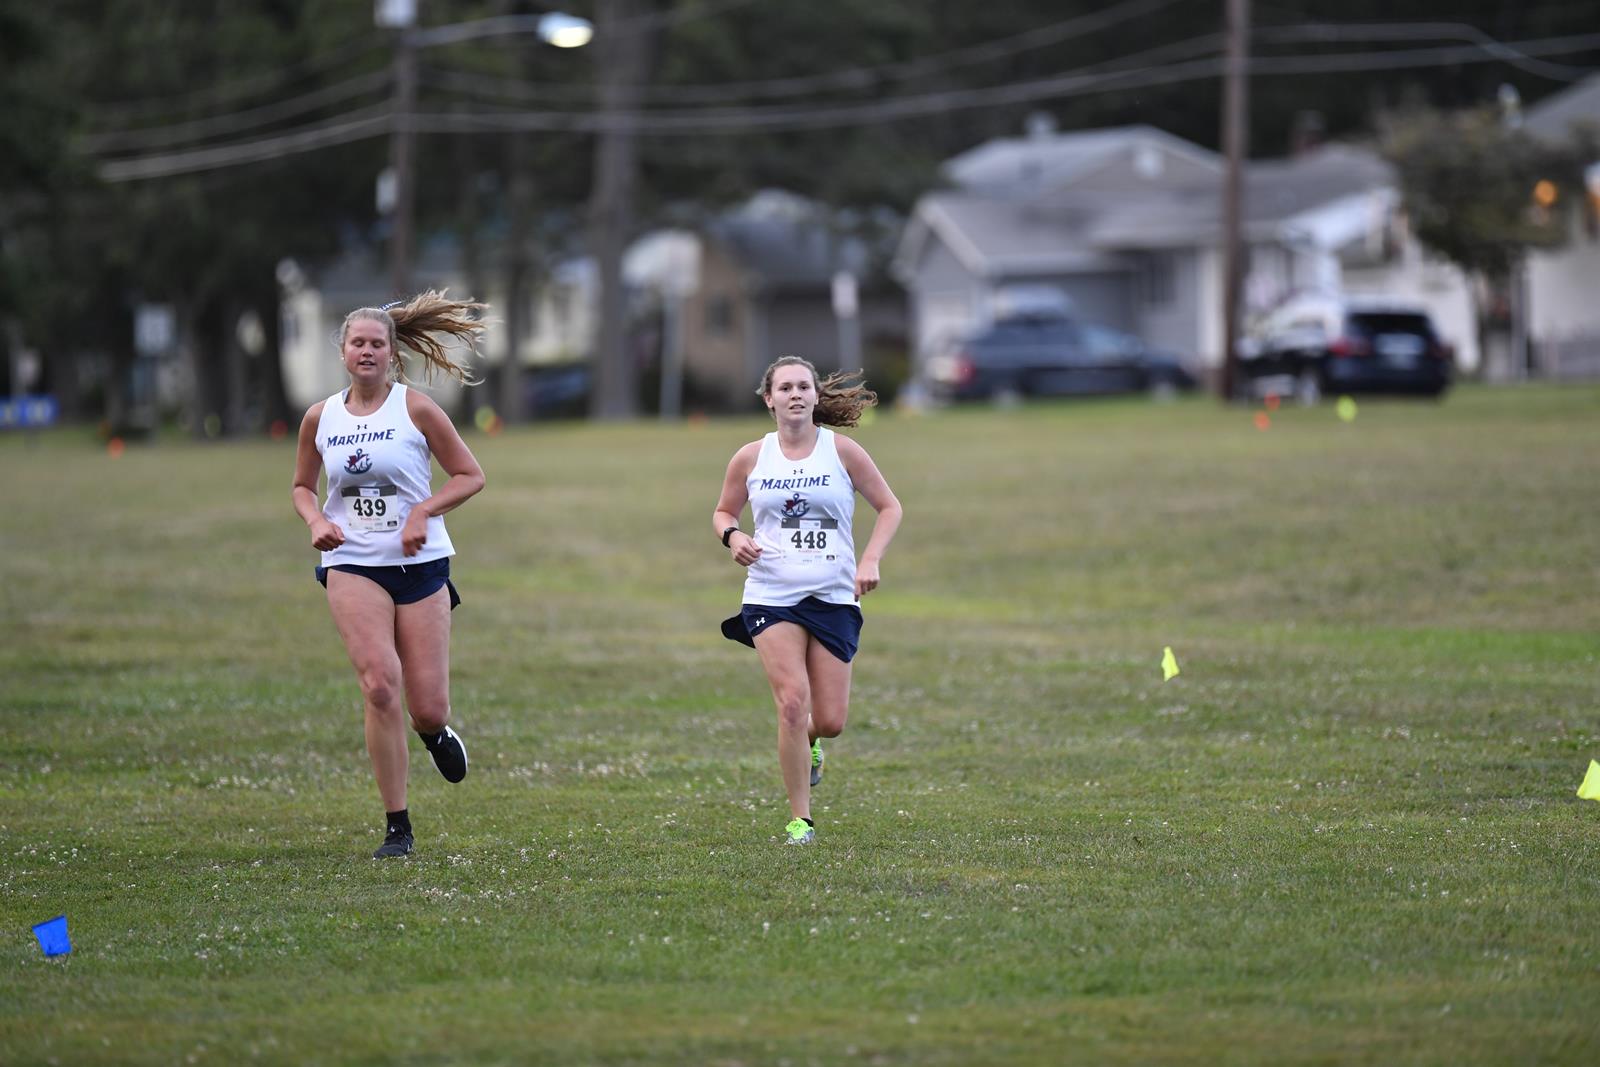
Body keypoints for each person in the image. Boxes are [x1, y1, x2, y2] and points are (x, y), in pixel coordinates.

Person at [291, 291, 488, 859]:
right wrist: (313, 521)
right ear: (344, 352)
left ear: (392, 353)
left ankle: (434, 733)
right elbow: (304, 487)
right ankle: (397, 827)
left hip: (421, 565)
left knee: (426, 705)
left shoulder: (416, 409)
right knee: (379, 685)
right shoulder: (319, 417)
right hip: (352, 563)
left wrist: (424, 511)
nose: (368, 351)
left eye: (378, 343)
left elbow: (469, 475)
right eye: (358, 343)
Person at [714, 356, 903, 845]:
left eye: (804, 387)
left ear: (816, 397)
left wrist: (870, 560)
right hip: (771, 594)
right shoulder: (751, 457)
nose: (795, 394)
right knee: (792, 705)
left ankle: (813, 743)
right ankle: (802, 819)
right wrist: (733, 537)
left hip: (834, 596)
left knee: (831, 721)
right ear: (769, 399)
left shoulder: (842, 452)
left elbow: (889, 507)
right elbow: (722, 511)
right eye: (785, 388)